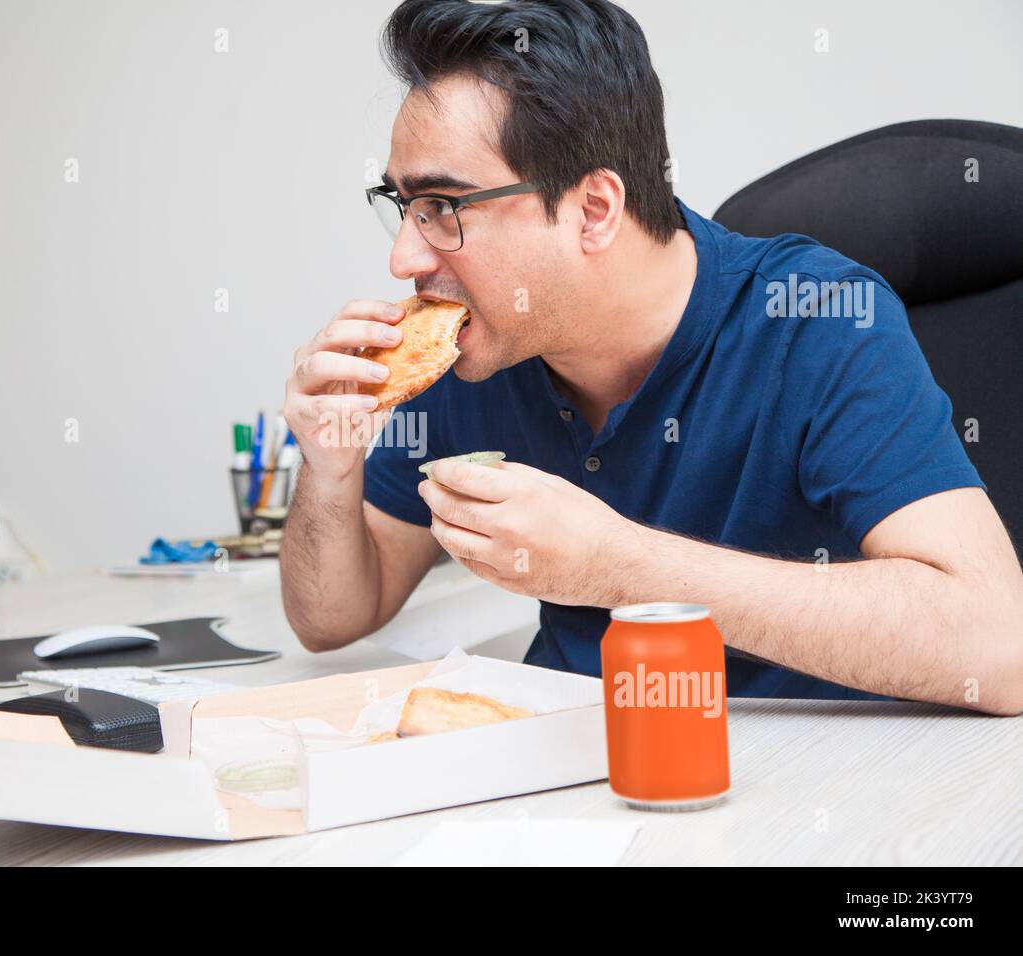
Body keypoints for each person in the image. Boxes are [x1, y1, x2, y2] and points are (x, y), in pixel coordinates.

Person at [279, 0, 1023, 714]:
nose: (405, 258)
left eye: (442, 208)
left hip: (806, 779)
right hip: (568, 777)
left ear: (594, 210)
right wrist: (328, 465)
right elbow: (332, 618)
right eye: (404, 208)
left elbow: (997, 649)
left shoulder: (816, 316)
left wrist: (620, 566)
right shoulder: (477, 346)